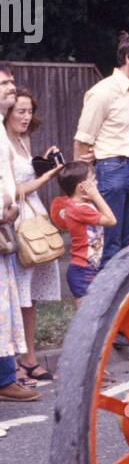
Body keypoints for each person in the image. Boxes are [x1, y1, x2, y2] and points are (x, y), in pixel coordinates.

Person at [73, 32, 129, 267]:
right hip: (110, 169)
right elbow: (83, 138)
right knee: (109, 245)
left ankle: (127, 302)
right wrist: (84, 182)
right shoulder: (103, 92)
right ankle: (107, 302)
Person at [4, 88, 62, 384]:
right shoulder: (4, 144)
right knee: (17, 295)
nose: (26, 117)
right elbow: (12, 190)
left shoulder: (23, 141)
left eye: (29, 112)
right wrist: (45, 178)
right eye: (20, 111)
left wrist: (43, 163)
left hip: (34, 215)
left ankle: (29, 357)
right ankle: (14, 361)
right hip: (17, 219)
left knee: (32, 296)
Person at [0, 66, 38, 402]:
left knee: (6, 304)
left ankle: (5, 377)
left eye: (11, 81)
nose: (11, 87)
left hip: (6, 223)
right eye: (4, 83)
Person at [50, 162, 117, 304]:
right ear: (81, 188)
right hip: (83, 271)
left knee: (91, 317)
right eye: (93, 181)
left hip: (86, 268)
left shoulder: (75, 205)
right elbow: (111, 220)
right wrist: (96, 196)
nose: (97, 183)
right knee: (87, 320)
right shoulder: (80, 210)